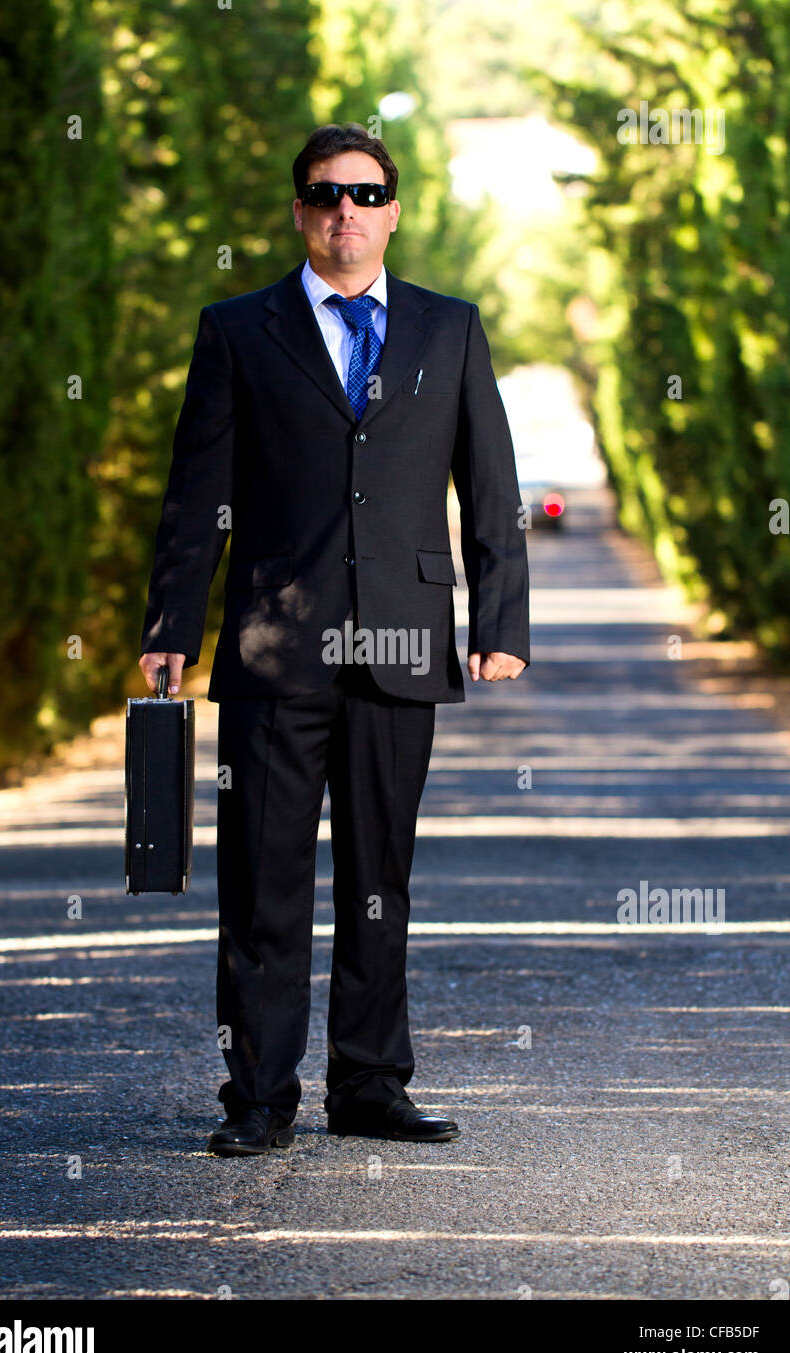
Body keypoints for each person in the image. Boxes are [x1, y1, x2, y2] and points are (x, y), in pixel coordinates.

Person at [138, 123, 529, 1157]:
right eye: (323, 194)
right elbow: (195, 496)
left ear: (392, 211)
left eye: (363, 194)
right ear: (298, 210)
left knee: (376, 875)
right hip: (274, 647)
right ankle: (258, 1097)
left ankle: (368, 1085)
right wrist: (170, 625)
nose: (342, 212)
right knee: (261, 880)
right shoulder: (237, 329)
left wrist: (498, 622)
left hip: (403, 641)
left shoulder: (448, 329)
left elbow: (488, 482)